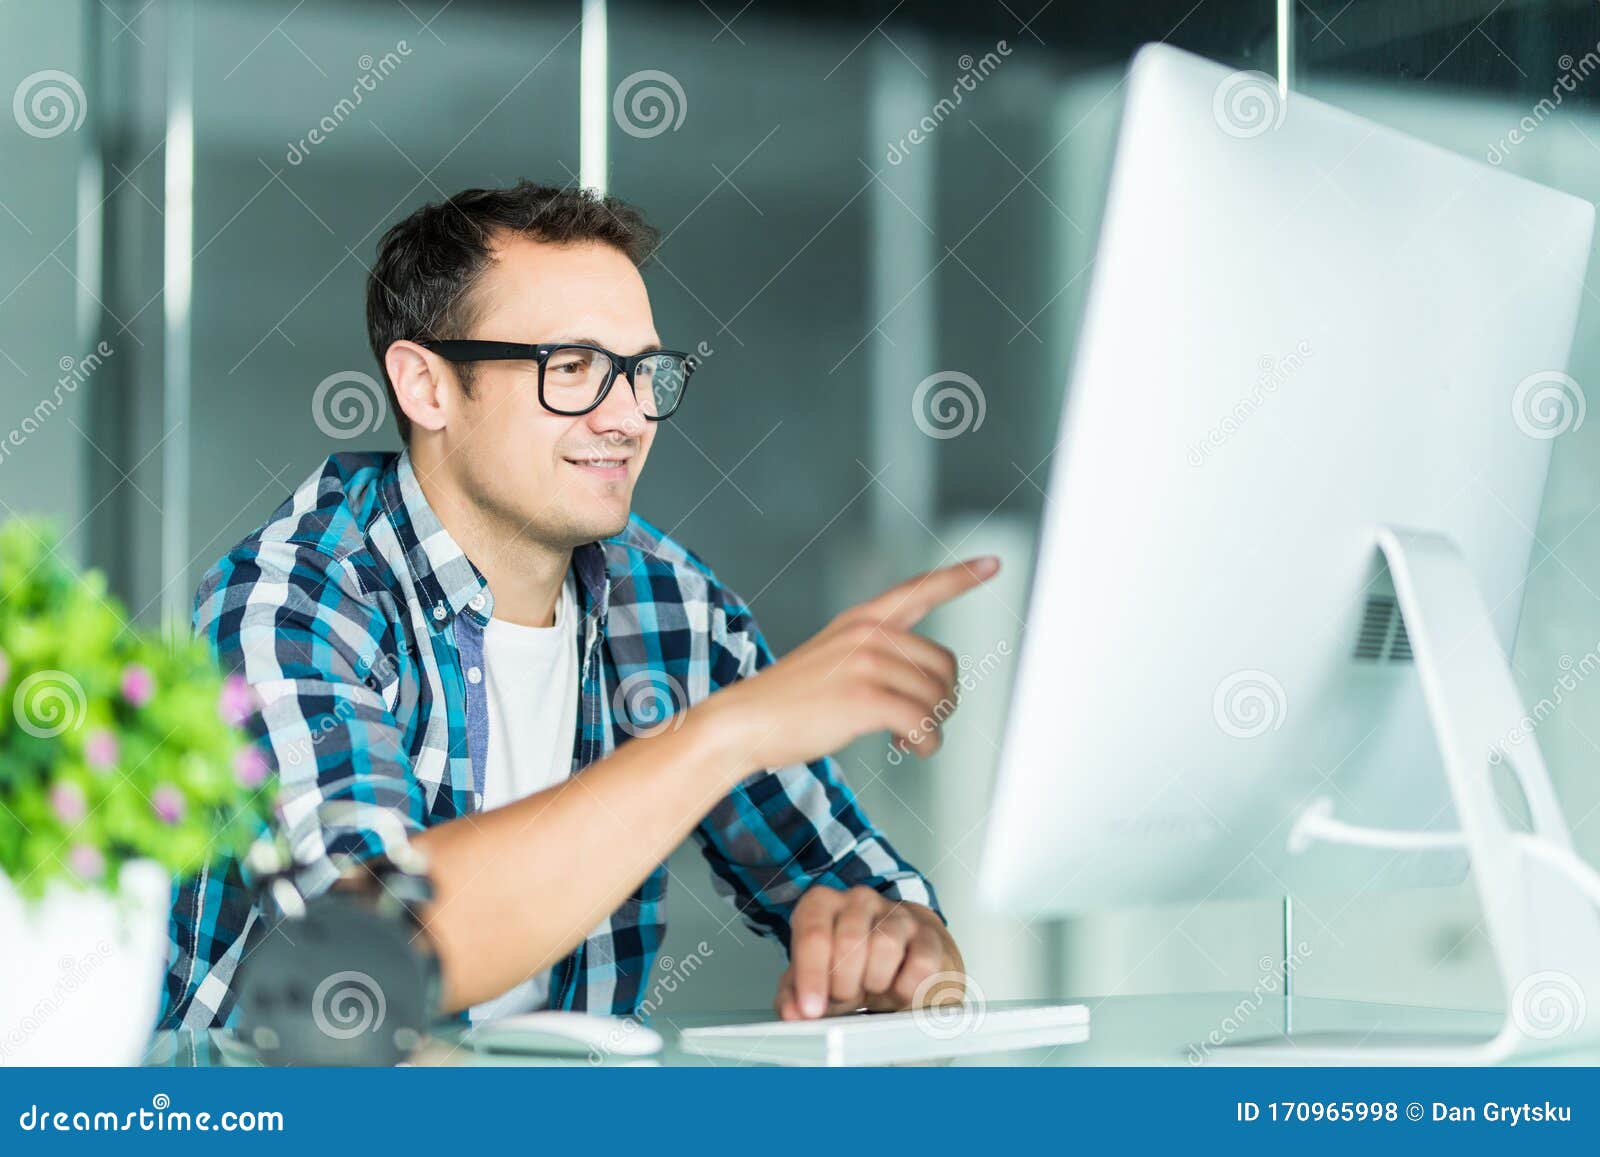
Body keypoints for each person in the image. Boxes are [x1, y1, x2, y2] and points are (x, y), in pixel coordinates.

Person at [159, 180, 998, 1030]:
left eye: (645, 372)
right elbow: (363, 948)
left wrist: (895, 939)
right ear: (426, 386)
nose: (630, 416)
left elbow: (864, 891)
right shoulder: (295, 600)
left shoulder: (670, 601)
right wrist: (720, 733)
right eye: (574, 369)